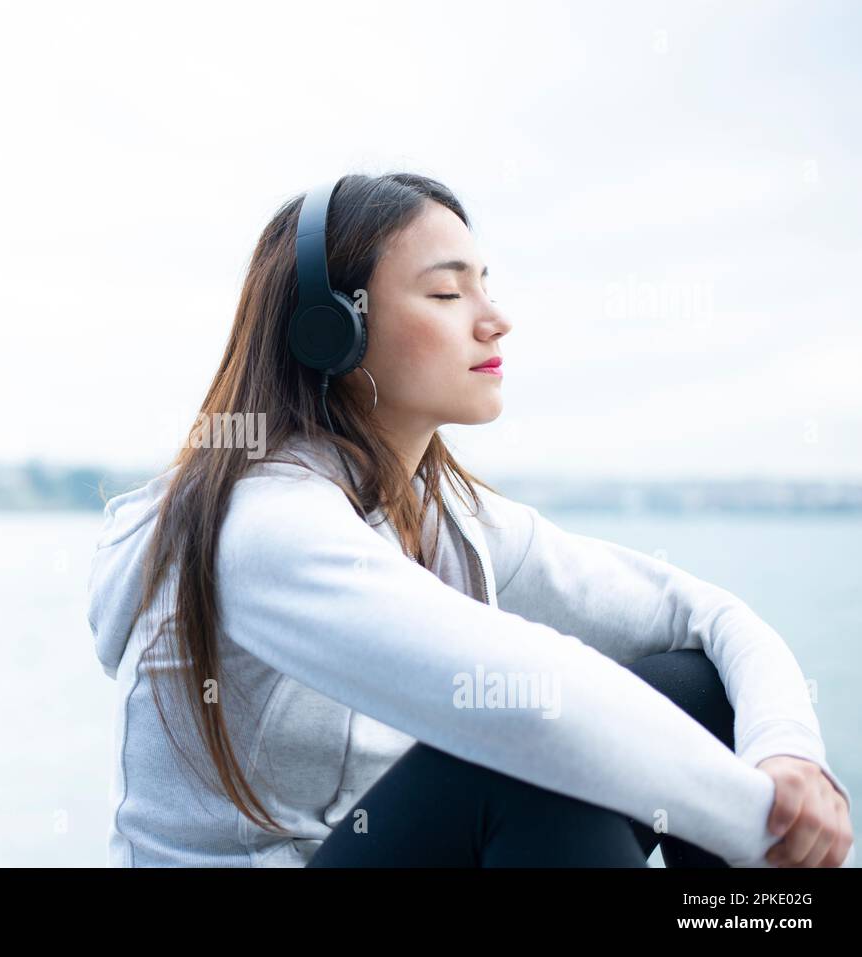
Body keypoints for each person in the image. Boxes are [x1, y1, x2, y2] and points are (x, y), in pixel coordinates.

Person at [85, 172, 854, 868]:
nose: (496, 320)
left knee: (694, 686)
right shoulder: (266, 526)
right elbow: (532, 702)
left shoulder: (447, 515)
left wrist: (787, 757)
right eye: (449, 294)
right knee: (534, 766)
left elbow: (704, 614)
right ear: (332, 331)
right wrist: (768, 827)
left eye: (485, 285)